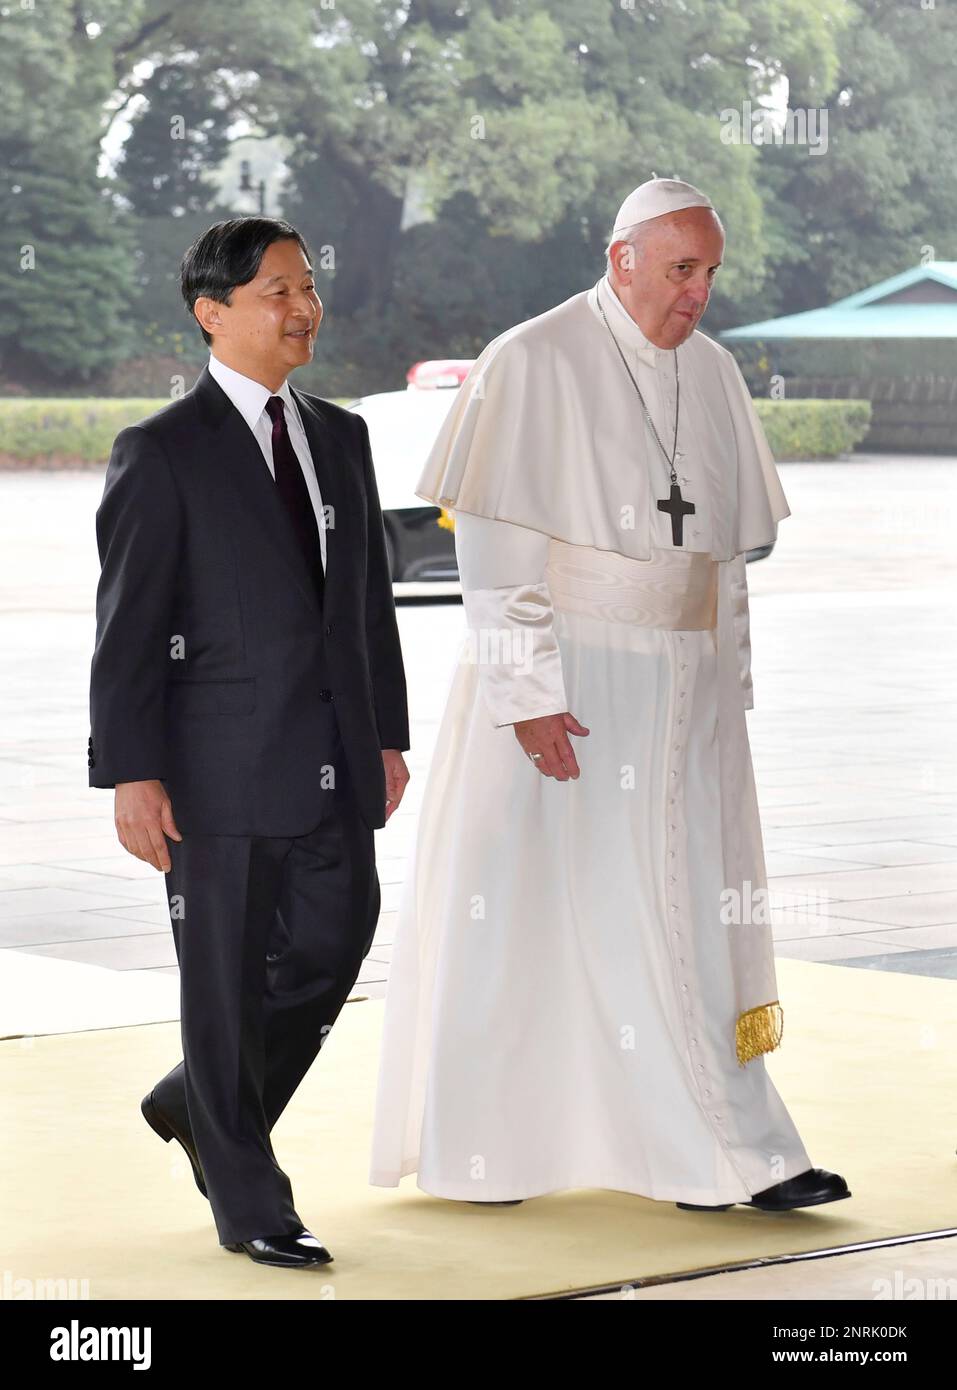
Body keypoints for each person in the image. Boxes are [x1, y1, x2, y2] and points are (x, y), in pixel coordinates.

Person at [368, 178, 850, 1214]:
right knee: (530, 908)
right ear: (620, 256)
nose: (699, 293)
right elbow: (497, 555)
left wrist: (729, 690)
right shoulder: (532, 359)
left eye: (711, 272)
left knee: (685, 914)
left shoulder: (715, 373)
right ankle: (494, 1144)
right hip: (570, 688)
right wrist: (526, 691)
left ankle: (728, 1146)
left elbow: (727, 557)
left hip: (681, 692)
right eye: (682, 269)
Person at [88, 216, 410, 1267]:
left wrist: (387, 737)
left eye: (308, 287)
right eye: (278, 290)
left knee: (336, 935)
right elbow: (128, 626)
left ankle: (199, 1100)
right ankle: (251, 1198)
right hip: (211, 771)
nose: (304, 306)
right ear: (212, 313)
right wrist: (131, 772)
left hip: (331, 757)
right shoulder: (161, 451)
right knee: (221, 985)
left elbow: (368, 607)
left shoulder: (342, 436)